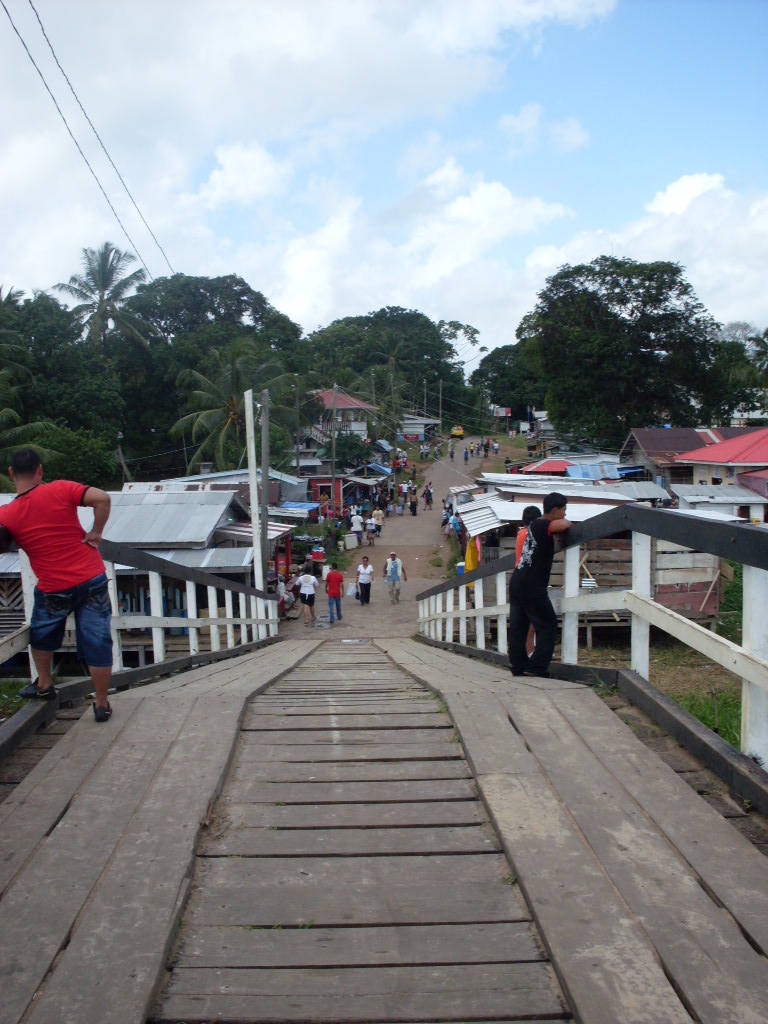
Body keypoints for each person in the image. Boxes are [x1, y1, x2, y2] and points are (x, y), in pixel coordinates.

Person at [0, 448, 114, 722]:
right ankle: (101, 703)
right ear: (40, 470)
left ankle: (44, 684)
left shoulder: (7, 514)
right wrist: (96, 532)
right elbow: (103, 498)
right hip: (91, 576)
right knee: (98, 640)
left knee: (42, 633)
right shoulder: (61, 489)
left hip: (54, 586)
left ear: (11, 473)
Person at [507, 492, 571, 678]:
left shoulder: (534, 526)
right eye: (564, 510)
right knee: (548, 624)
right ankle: (536, 667)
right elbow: (563, 525)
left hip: (518, 581)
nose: (565, 514)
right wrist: (568, 524)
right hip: (532, 584)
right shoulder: (542, 524)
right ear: (555, 510)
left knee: (519, 626)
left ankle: (518, 665)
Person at [516, 505, 542, 657]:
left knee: (526, 615)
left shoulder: (521, 533)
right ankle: (530, 647)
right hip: (528, 577)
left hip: (519, 576)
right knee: (534, 614)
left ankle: (526, 648)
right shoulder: (529, 535)